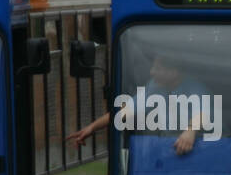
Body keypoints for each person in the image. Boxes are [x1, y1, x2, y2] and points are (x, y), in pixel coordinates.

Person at [67, 51, 209, 156]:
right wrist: (92, 128)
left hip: (203, 148)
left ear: (174, 72)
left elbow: (203, 112)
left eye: (158, 69)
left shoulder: (194, 88)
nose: (151, 72)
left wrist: (190, 131)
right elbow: (124, 111)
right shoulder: (155, 87)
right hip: (172, 148)